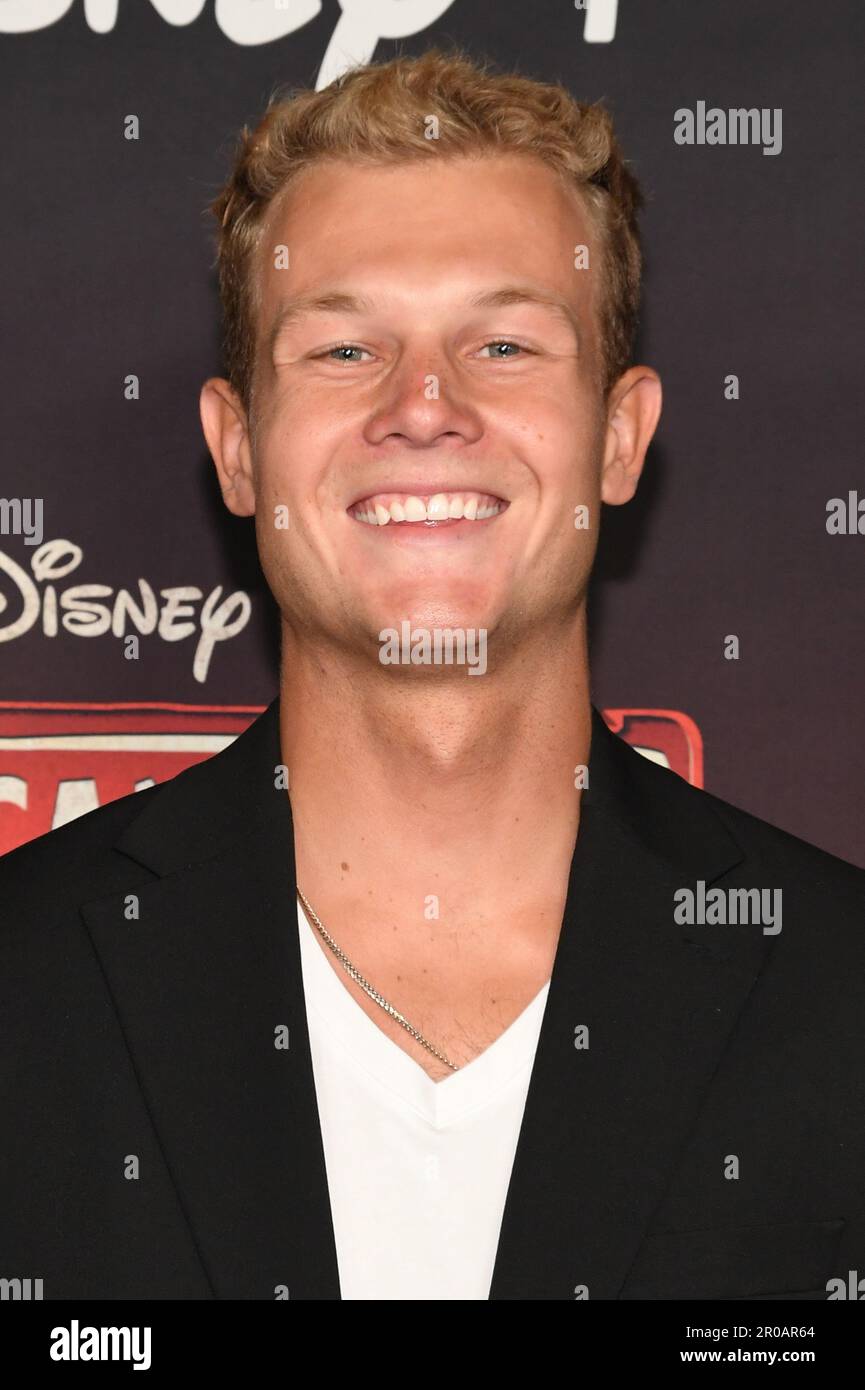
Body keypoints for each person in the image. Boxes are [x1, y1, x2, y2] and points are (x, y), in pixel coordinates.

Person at [1, 48, 863, 1303]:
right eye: (345, 349)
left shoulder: (838, 996)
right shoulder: (24, 987)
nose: (424, 405)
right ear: (238, 450)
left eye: (504, 343)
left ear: (618, 437)